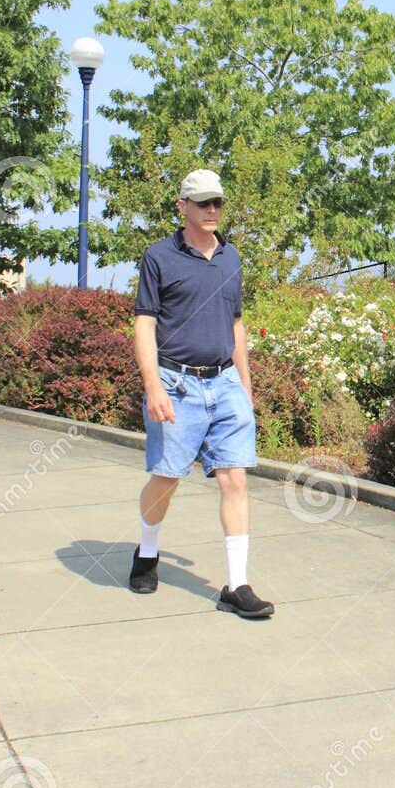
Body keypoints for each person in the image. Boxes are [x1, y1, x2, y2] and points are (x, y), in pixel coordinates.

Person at [129, 167, 273, 619]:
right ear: (183, 207)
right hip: (176, 383)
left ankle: (237, 585)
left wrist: (245, 385)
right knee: (168, 477)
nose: (212, 211)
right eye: (203, 203)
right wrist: (153, 385)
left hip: (226, 382)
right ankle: (147, 551)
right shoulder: (159, 257)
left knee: (235, 478)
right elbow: (145, 323)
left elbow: (235, 324)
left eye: (218, 203)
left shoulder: (231, 257)